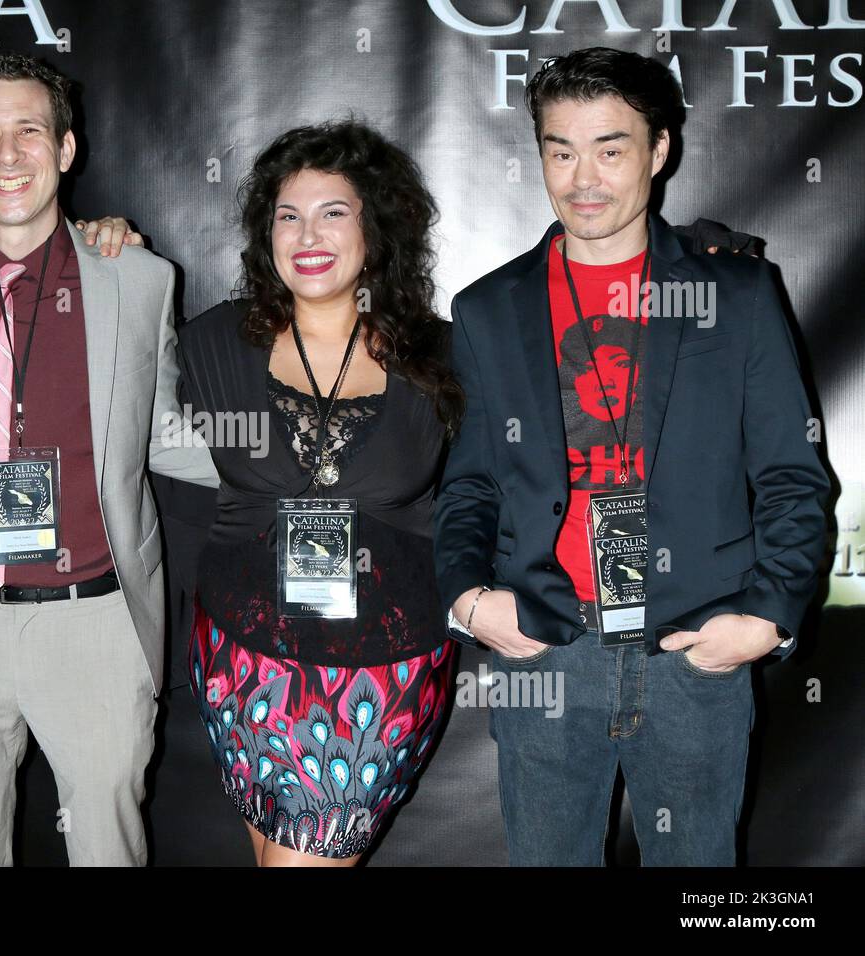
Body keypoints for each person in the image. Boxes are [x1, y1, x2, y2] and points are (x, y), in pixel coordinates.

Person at [433, 47, 830, 866]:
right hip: (547, 648)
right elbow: (469, 484)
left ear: (659, 151)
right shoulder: (489, 309)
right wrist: (469, 600)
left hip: (695, 655)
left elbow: (793, 475)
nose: (584, 177)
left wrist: (766, 618)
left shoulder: (738, 294)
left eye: (611, 149)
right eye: (560, 149)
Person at [0, 52, 218, 867]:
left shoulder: (135, 276)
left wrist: (307, 460)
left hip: (94, 624)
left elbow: (162, 432)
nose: (8, 153)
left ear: (67, 149)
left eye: (30, 130)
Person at [178, 121, 463, 866]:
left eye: (334, 211)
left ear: (377, 228)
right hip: (242, 659)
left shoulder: (443, 356)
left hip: (383, 669)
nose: (308, 233)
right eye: (288, 215)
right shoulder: (210, 343)